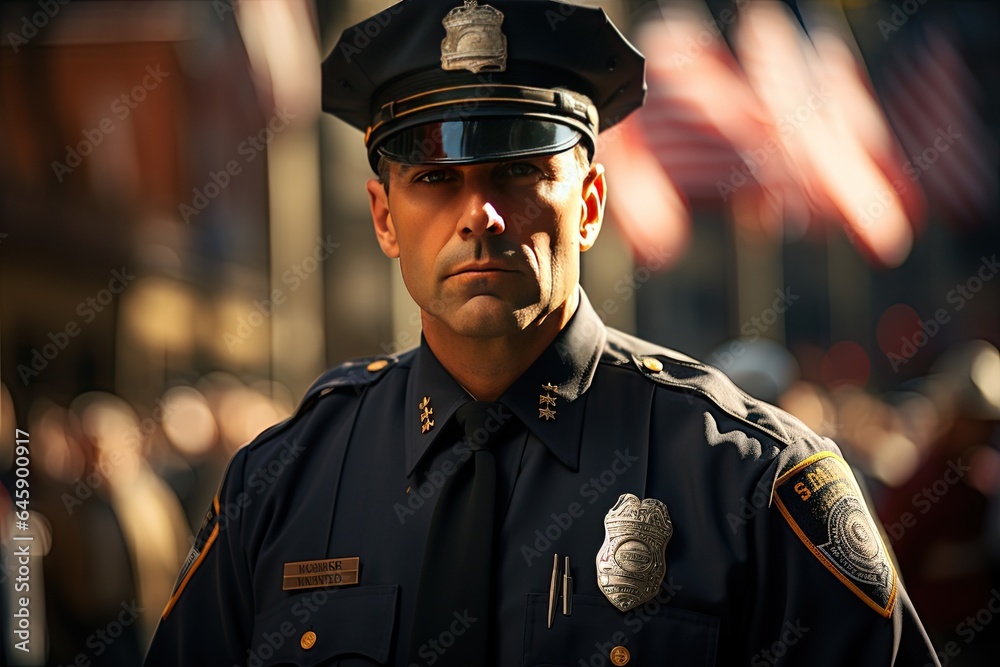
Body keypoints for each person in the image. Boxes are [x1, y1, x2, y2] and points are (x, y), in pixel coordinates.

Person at [144, 1, 940, 665]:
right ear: (385, 217)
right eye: (433, 179)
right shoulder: (282, 485)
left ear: (590, 203)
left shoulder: (748, 483)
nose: (480, 215)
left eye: (520, 170)